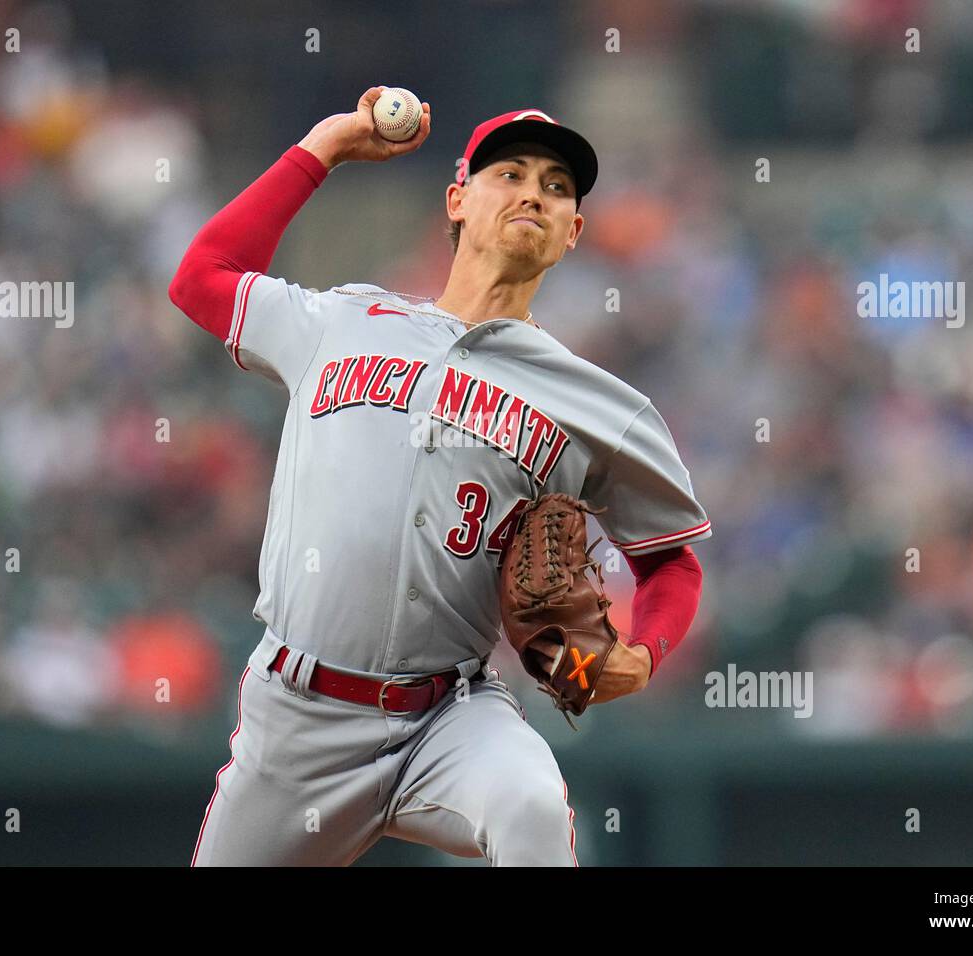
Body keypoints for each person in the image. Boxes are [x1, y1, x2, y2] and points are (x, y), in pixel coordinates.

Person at [169, 87, 710, 866]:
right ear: (457, 200)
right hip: (296, 719)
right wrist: (321, 149)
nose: (534, 193)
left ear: (572, 234)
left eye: (558, 188)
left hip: (449, 716)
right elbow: (202, 277)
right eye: (510, 174)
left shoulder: (599, 406)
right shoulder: (341, 321)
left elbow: (670, 558)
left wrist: (642, 653)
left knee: (530, 805)